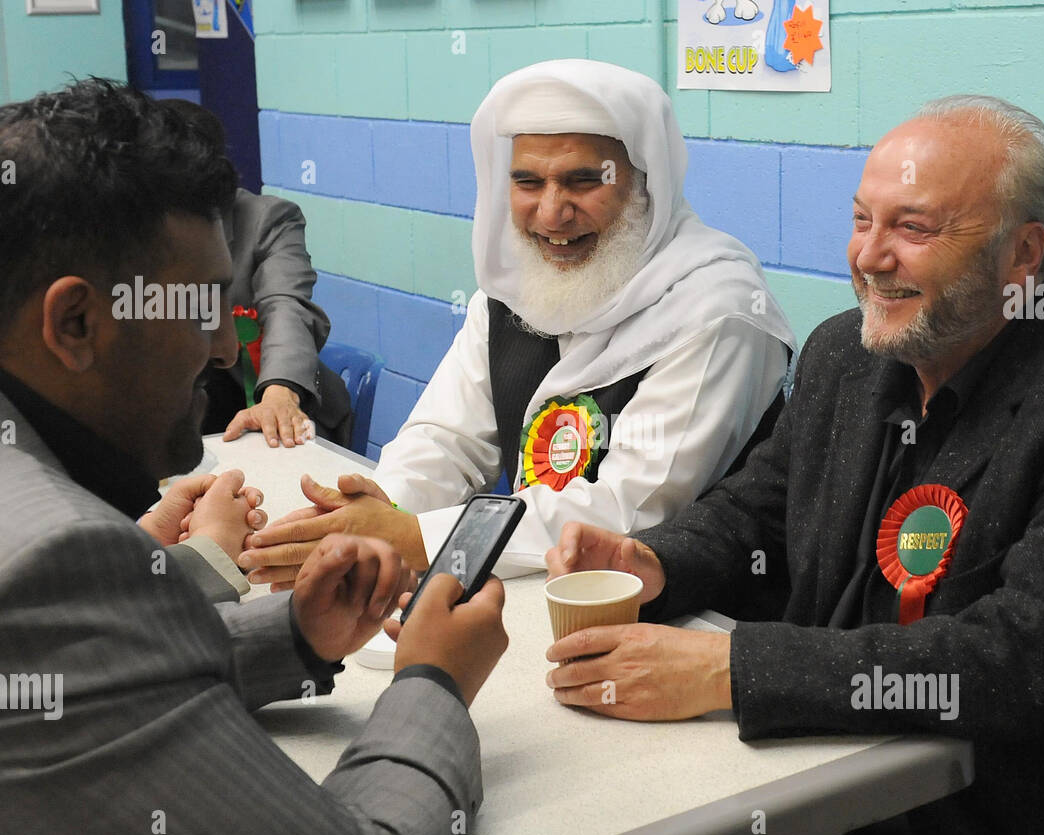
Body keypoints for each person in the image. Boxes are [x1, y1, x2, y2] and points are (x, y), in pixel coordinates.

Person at [542, 95, 1044, 835]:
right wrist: (652, 561)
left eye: (913, 229)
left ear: (1023, 253)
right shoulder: (843, 356)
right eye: (863, 221)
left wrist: (731, 672)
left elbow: (1022, 661)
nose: (869, 257)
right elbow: (757, 511)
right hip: (817, 782)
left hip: (986, 830)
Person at [0, 78, 506, 835]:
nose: (223, 349)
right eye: (201, 308)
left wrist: (292, 634)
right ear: (74, 322)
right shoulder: (48, 564)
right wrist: (434, 681)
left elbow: (76, 683)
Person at [238, 59, 796, 585]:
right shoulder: (514, 291)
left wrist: (415, 537)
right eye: (528, 182)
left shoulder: (719, 309)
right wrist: (379, 506)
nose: (551, 212)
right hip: (535, 584)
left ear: (645, 183)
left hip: (696, 623)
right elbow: (447, 438)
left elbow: (632, 509)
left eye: (582, 181)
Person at [162, 98, 353, 449]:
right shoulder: (139, 220)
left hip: (255, 393)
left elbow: (286, 305)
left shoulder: (268, 218)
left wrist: (280, 393)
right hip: (176, 396)